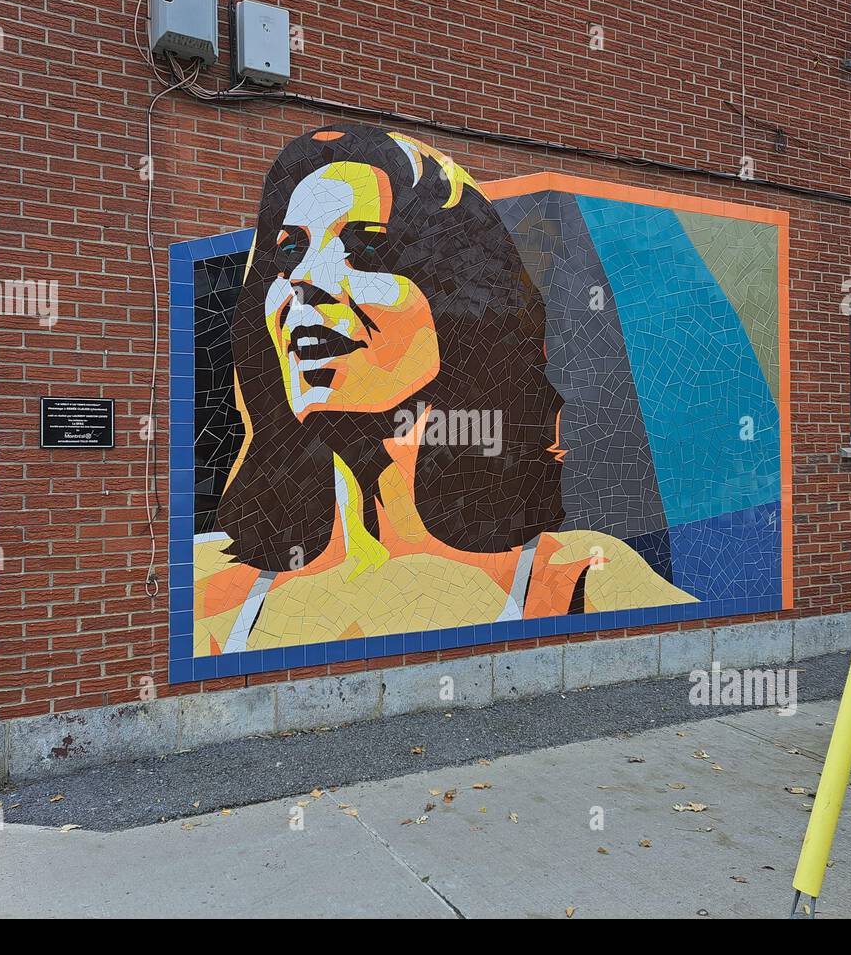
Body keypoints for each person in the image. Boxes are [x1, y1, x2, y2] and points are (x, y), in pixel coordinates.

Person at [192, 124, 695, 658]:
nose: (304, 279)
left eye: (366, 247)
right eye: (289, 252)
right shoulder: (214, 593)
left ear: (465, 310)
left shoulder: (582, 583)